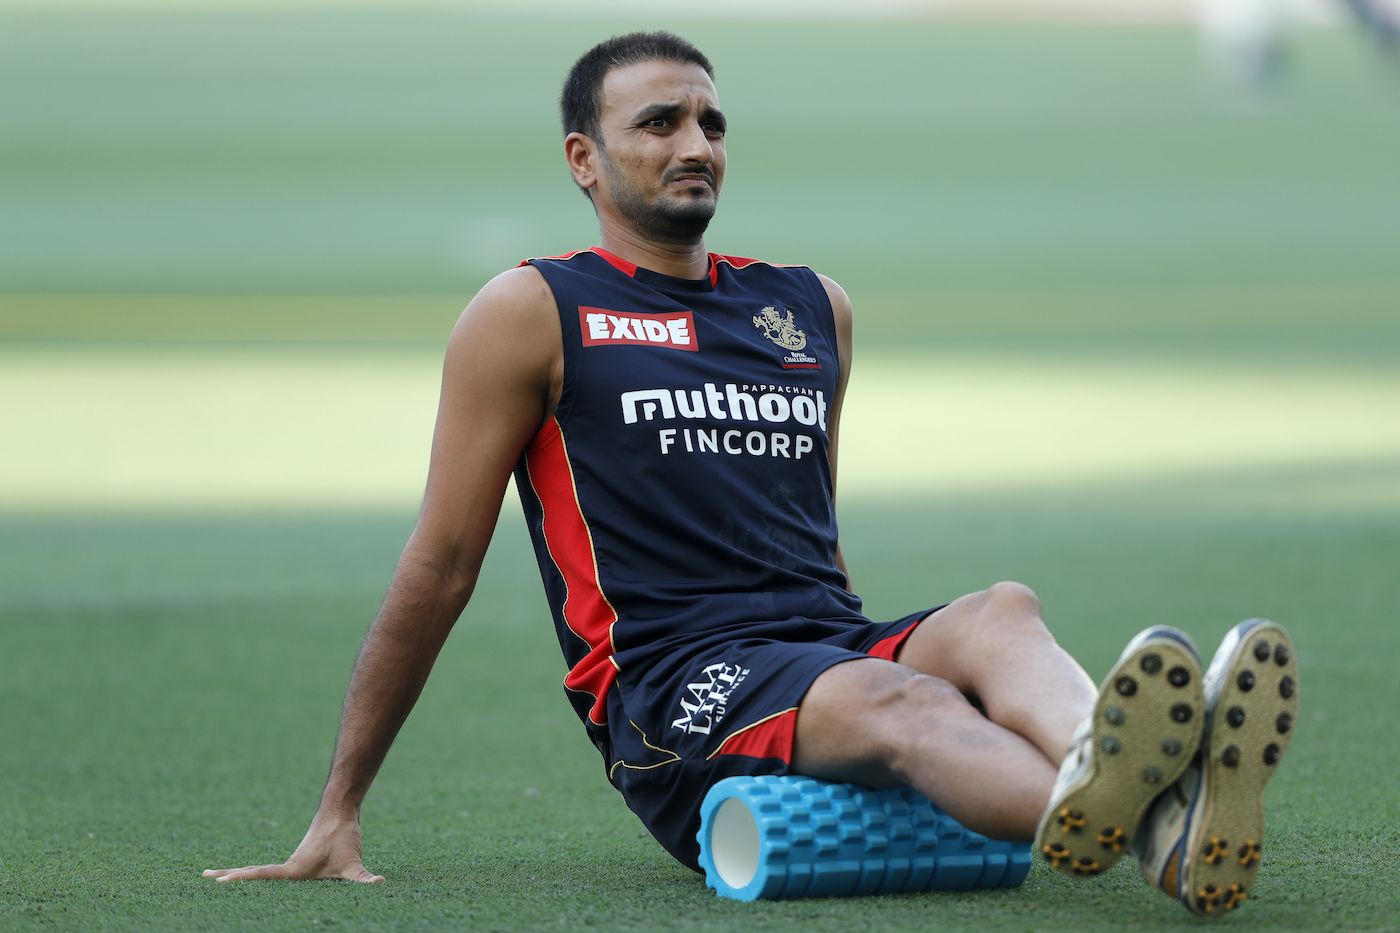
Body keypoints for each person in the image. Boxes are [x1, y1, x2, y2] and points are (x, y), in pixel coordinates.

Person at [202, 32, 1298, 916]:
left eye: (712, 122)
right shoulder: (533, 309)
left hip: (811, 646)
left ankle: (1141, 786)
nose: (696, 143)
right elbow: (441, 564)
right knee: (896, 695)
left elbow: (805, 530)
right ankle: (1164, 813)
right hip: (675, 700)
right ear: (583, 158)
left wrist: (858, 646)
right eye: (659, 123)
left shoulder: (808, 305)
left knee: (995, 610)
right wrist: (339, 805)